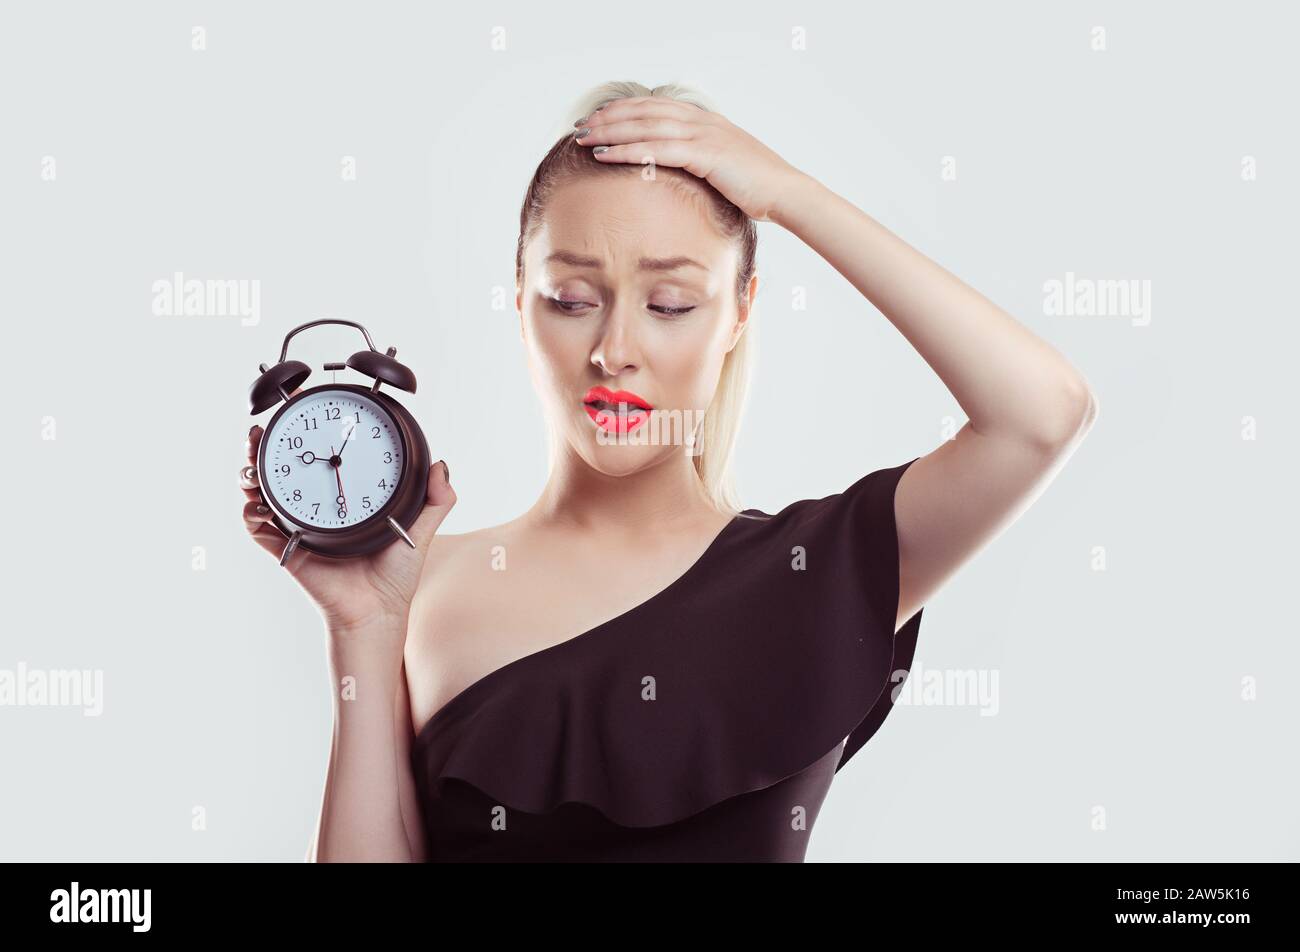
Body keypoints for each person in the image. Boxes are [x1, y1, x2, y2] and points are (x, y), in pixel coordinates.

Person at [237, 80, 1097, 862]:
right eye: (572, 301)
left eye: (672, 304)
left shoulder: (810, 570)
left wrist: (787, 193)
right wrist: (361, 628)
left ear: (739, 313)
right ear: (519, 297)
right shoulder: (421, 590)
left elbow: (1042, 414)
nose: (615, 351)